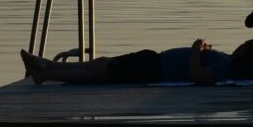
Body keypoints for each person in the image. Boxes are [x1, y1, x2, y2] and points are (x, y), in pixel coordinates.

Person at [20, 40, 238, 86]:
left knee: (100, 72)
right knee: (101, 64)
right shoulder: (225, 60)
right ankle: (47, 65)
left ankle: (46, 73)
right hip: (153, 61)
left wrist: (196, 51)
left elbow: (195, 75)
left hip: (153, 69)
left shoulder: (225, 67)